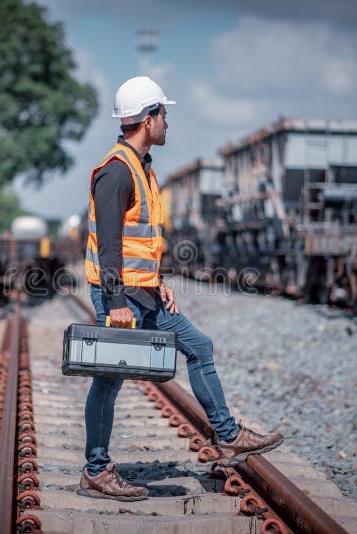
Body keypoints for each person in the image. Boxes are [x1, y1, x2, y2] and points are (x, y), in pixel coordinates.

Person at [78, 76, 284, 501]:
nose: (167, 123)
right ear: (146, 118)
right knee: (109, 379)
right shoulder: (116, 173)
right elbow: (111, 247)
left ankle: (227, 435)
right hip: (122, 298)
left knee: (198, 346)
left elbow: (142, 243)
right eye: (163, 115)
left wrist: (159, 282)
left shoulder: (142, 168)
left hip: (144, 293)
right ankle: (96, 470)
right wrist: (116, 301)